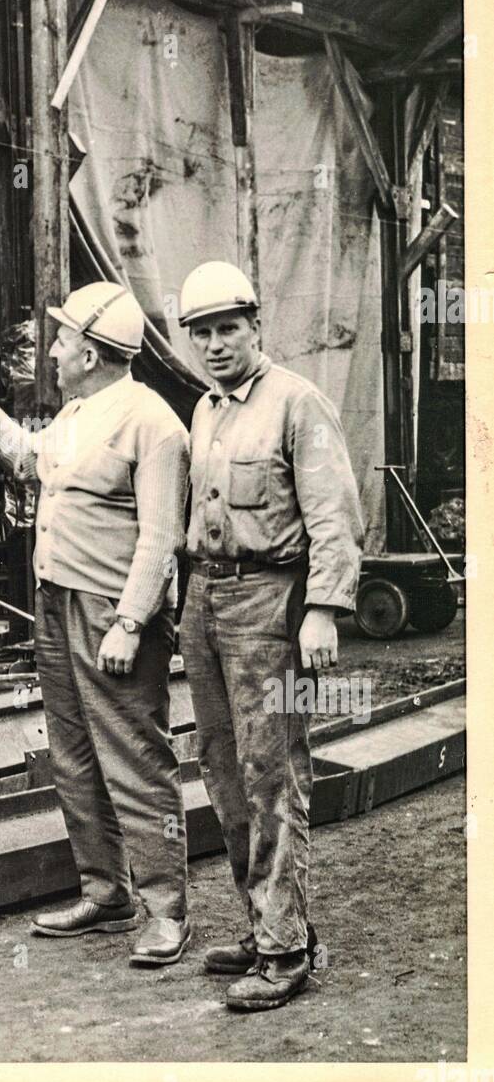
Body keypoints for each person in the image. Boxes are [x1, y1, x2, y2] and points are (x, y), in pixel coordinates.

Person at [0, 282, 192, 967]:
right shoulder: (79, 415)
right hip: (57, 602)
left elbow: (160, 537)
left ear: (89, 352)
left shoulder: (154, 424)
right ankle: (104, 890)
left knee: (134, 758)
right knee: (73, 753)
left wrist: (128, 622)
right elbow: (31, 460)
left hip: (111, 610)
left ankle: (166, 911)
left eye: (60, 341)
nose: (53, 352)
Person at [176, 260, 364, 1010]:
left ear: (256, 327)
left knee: (271, 773)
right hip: (206, 599)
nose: (216, 344)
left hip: (271, 603)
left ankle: (286, 950)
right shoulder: (205, 410)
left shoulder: (297, 403)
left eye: (228, 328)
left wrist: (322, 608)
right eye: (202, 333)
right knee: (221, 770)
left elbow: (333, 516)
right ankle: (262, 928)